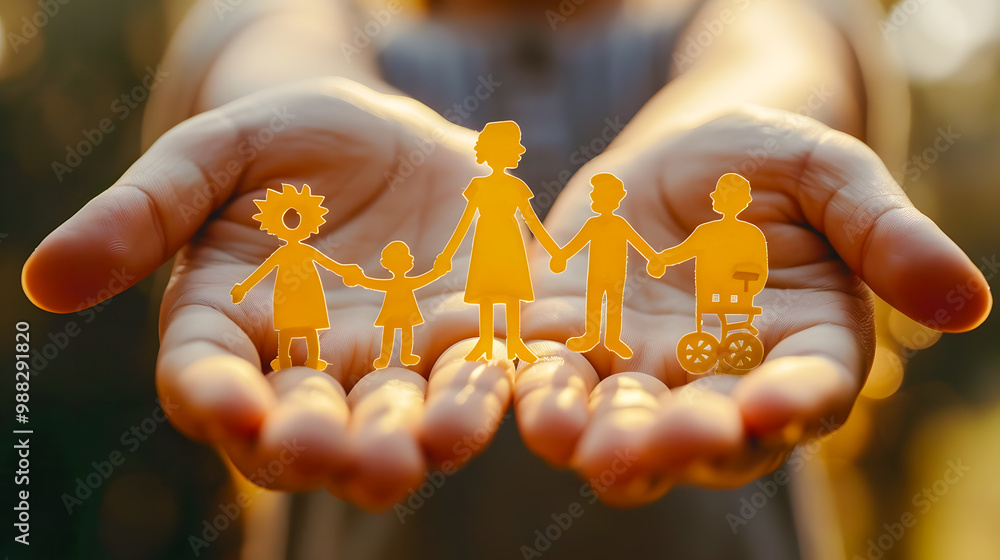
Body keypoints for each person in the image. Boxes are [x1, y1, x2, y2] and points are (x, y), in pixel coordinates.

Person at [19, 0, 993, 557]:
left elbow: (782, 37)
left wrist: (766, 107)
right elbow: (268, 32)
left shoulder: (715, 19)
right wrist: (278, 103)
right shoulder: (326, 24)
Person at [436, 120, 561, 363]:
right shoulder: (478, 186)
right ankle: (485, 339)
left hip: (510, 240)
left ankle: (515, 340)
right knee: (486, 291)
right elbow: (464, 223)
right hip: (486, 239)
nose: (515, 152)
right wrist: (447, 254)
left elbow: (533, 222)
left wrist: (555, 251)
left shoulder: (517, 186)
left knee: (511, 291)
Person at [231, 183, 363, 371]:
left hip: (306, 293)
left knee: (306, 329)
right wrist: (243, 288)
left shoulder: (300, 251)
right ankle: (288, 360)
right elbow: (262, 271)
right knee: (289, 329)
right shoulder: (285, 253)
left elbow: (329, 264)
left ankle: (307, 361)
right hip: (288, 294)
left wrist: (345, 270)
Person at [549, 172, 666, 359]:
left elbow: (639, 243)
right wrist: (561, 256)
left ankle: (613, 339)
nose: (601, 200)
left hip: (616, 276)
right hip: (595, 276)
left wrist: (654, 258)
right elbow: (576, 244)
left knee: (613, 307)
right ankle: (591, 336)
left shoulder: (620, 224)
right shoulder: (592, 224)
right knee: (593, 306)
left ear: (616, 199)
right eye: (598, 195)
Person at [353, 240, 450, 368]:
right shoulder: (397, 284)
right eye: (407, 256)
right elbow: (370, 283)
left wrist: (438, 271)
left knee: (406, 333)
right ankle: (384, 357)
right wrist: (359, 279)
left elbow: (425, 279)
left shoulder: (405, 283)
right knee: (390, 333)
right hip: (392, 312)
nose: (411, 258)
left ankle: (405, 356)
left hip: (405, 311)